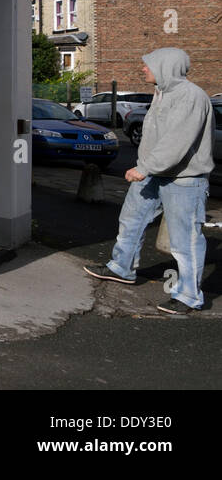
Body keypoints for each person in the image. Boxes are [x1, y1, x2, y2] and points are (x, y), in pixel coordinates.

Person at [84, 48, 214, 314]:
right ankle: (122, 268)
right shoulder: (163, 92)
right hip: (154, 173)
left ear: (165, 66)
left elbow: (176, 143)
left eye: (148, 65)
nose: (143, 69)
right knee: (131, 220)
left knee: (185, 239)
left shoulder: (190, 97)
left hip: (183, 179)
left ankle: (189, 295)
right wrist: (146, 167)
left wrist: (144, 168)